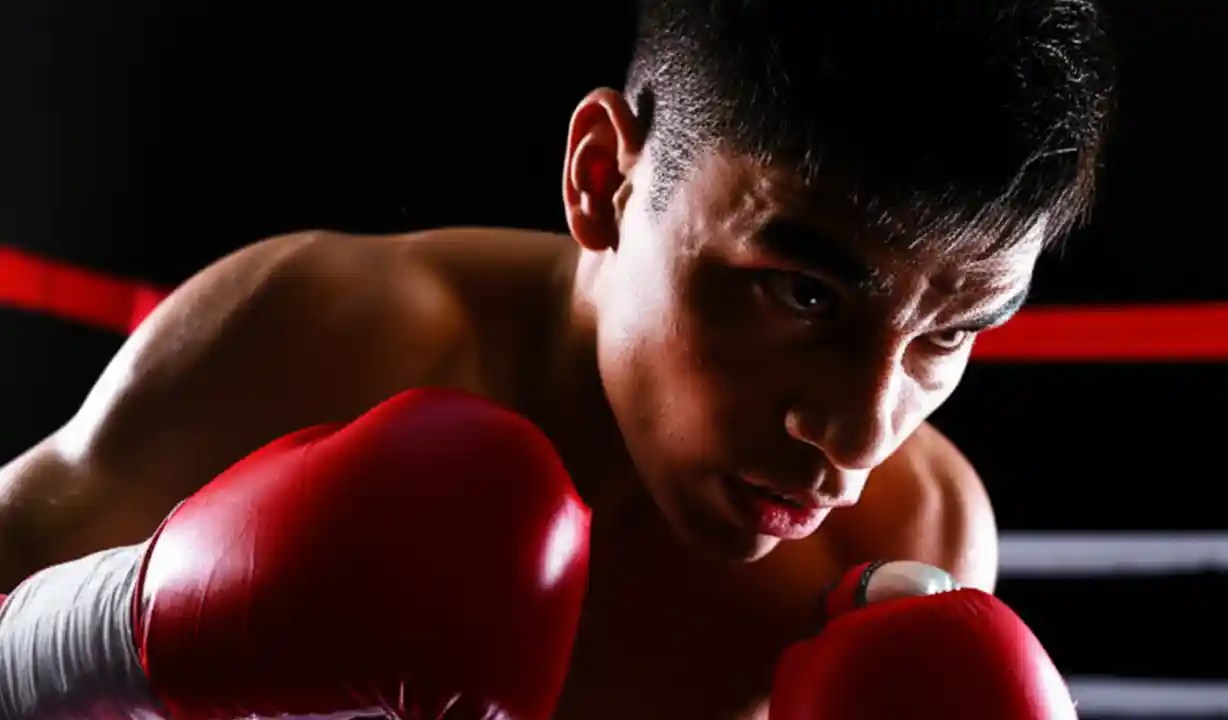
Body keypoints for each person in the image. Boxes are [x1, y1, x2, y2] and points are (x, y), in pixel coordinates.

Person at [0, 1, 1115, 717]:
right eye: (803, 294)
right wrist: (119, 626)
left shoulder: (902, 549)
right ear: (602, 181)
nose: (859, 436)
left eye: (949, 331)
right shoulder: (323, 339)